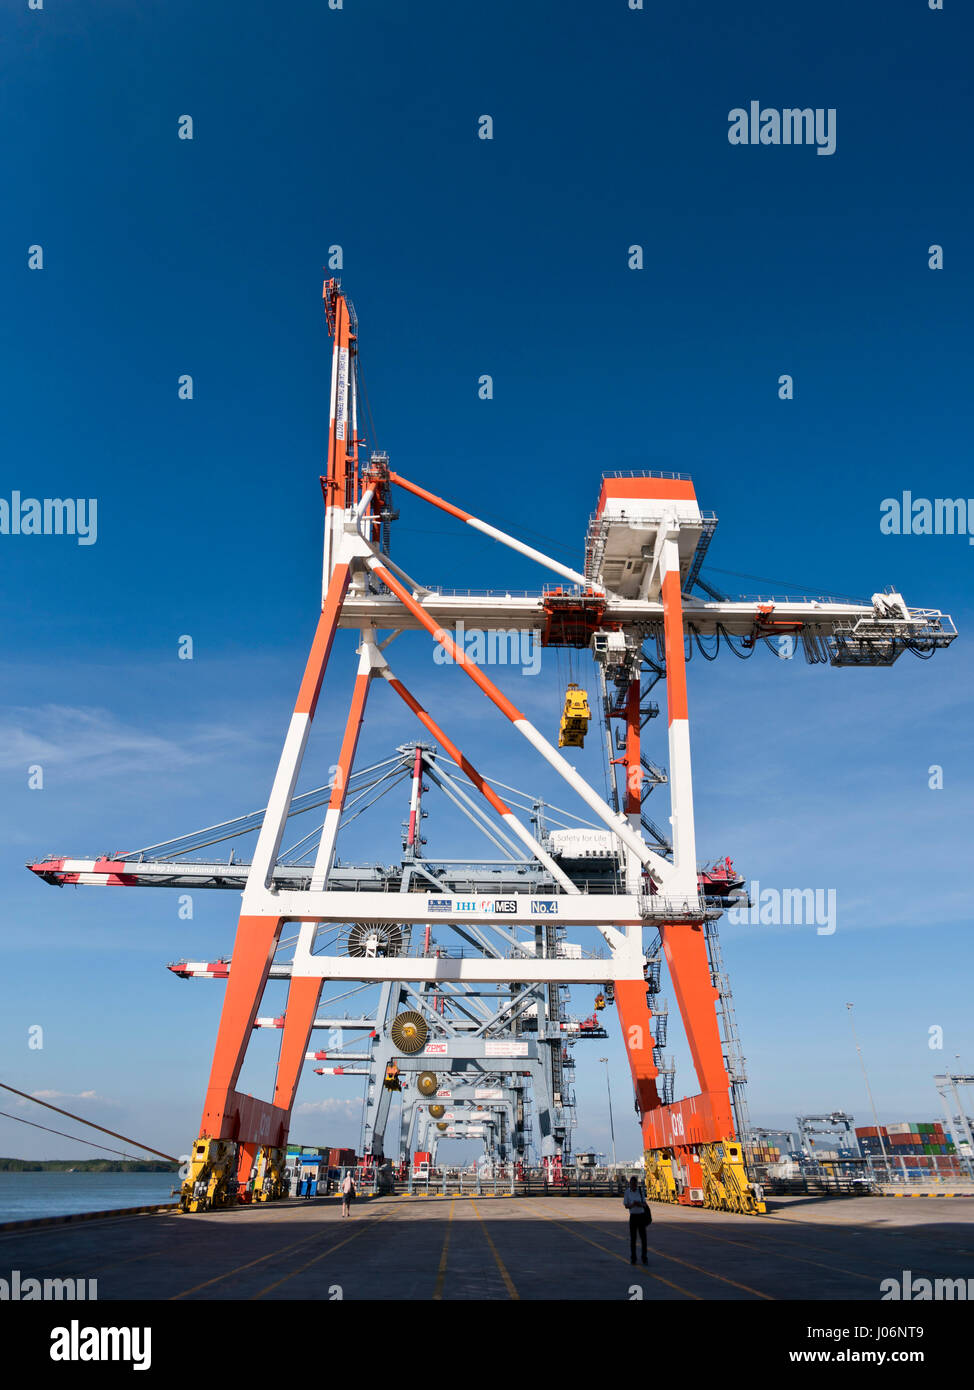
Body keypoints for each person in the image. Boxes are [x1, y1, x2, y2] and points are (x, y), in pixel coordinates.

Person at [623, 1175, 651, 1264]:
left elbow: (644, 1204)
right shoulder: (627, 1192)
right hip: (633, 1217)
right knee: (633, 1239)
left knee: (643, 1239)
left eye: (635, 1185)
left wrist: (639, 1204)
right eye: (632, 1185)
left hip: (641, 1216)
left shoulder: (640, 1191)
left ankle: (644, 1257)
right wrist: (632, 1205)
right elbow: (626, 1205)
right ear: (630, 1184)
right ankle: (633, 1258)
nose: (633, 1186)